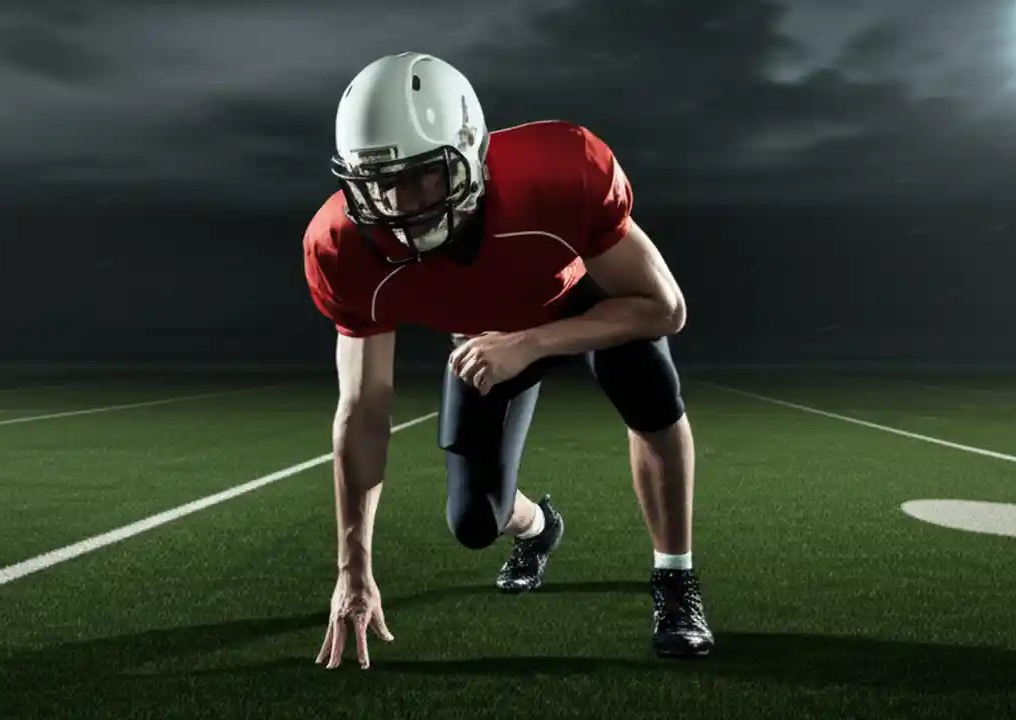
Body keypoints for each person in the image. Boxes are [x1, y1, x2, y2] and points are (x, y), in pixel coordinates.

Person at [302, 52, 714, 670]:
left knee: (650, 391)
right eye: (379, 182)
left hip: (584, 303)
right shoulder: (342, 246)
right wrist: (353, 570)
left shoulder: (560, 170)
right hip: (486, 338)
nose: (400, 205)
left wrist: (529, 342)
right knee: (474, 521)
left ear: (468, 148)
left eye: (422, 176)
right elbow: (363, 409)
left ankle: (676, 582)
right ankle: (537, 527)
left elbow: (664, 306)